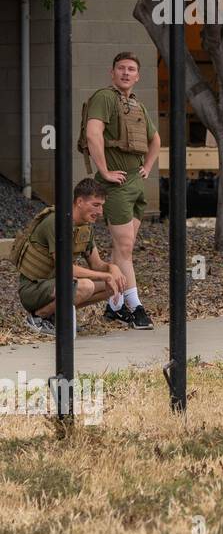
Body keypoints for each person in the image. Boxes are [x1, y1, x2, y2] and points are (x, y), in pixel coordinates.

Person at [80, 51, 160, 329]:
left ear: (138, 76)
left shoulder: (136, 104)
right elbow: (93, 134)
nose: (126, 73)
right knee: (125, 248)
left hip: (136, 184)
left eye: (131, 69)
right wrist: (103, 171)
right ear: (112, 72)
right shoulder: (104, 97)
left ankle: (113, 306)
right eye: (121, 68)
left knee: (122, 248)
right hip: (115, 185)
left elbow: (155, 139)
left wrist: (147, 167)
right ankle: (135, 306)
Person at [13, 178, 125, 336]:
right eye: (95, 205)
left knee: (115, 284)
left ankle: (57, 316)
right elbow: (65, 268)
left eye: (102, 206)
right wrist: (105, 275)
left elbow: (97, 264)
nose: (100, 212)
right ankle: (38, 317)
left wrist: (113, 269)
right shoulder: (56, 222)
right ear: (79, 201)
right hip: (34, 289)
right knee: (86, 286)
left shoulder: (85, 227)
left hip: (56, 285)